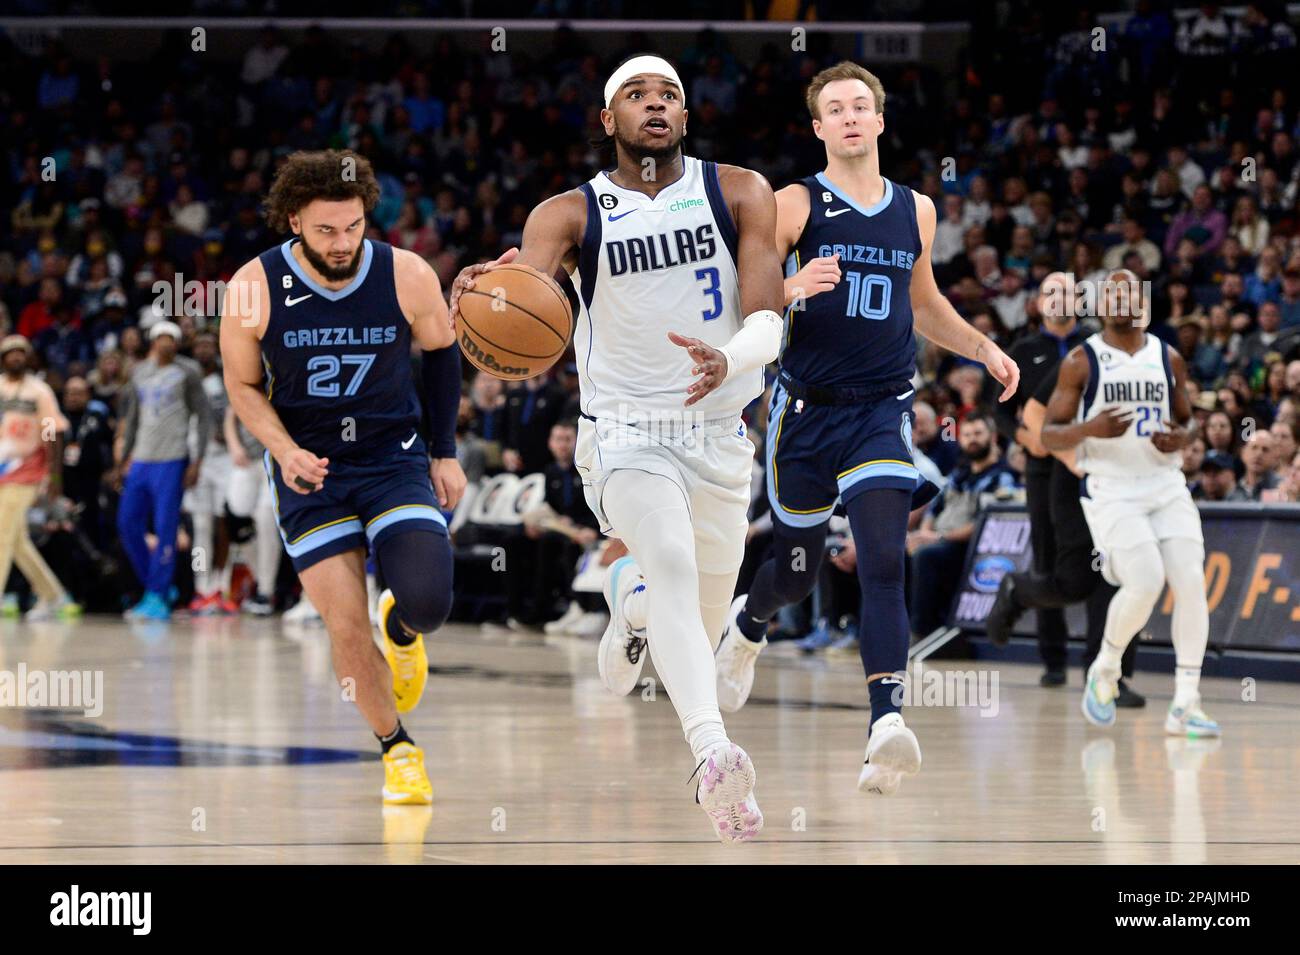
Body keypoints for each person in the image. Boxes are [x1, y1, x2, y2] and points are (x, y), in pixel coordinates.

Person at [450, 55, 784, 842]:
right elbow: (525, 286)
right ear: (609, 121)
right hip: (627, 432)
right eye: (635, 95)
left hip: (721, 435)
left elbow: (770, 318)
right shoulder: (568, 213)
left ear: (686, 116)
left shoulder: (739, 190)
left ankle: (628, 604)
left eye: (668, 93)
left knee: (693, 634)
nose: (654, 104)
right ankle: (713, 759)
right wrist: (492, 296)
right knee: (666, 557)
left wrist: (728, 360)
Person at [705, 62, 1019, 797]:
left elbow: (924, 302)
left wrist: (982, 346)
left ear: (879, 120)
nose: (850, 117)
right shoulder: (791, 203)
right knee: (797, 568)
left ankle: (885, 725)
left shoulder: (917, 209)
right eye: (835, 109)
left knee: (884, 559)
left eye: (861, 106)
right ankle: (749, 622)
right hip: (806, 414)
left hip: (884, 410)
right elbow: (736, 300)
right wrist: (787, 288)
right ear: (818, 128)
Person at [219, 149, 466, 805]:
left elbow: (442, 353)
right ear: (295, 220)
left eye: (353, 226)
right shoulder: (253, 285)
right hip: (310, 469)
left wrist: (445, 451)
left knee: (429, 601)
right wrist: (281, 448)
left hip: (393, 457)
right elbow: (241, 385)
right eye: (326, 230)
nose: (341, 242)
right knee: (344, 625)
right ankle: (398, 748)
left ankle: (405, 629)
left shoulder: (406, 273)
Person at [1041, 269, 1218, 737]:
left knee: (1191, 584)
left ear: (1143, 304)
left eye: (1129, 292)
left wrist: (1181, 436)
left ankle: (1186, 702)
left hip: (1165, 485)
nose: (1121, 299)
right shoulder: (1082, 360)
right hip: (1113, 489)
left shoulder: (1169, 358)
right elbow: (1047, 433)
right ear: (1099, 305)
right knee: (1145, 581)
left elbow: (1190, 422)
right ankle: (1106, 668)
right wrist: (1088, 429)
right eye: (1112, 293)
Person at [993, 271, 1090, 685]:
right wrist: (1023, 438)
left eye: (1066, 291)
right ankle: (1053, 660)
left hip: (1087, 464)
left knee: (1098, 560)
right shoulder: (1023, 349)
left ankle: (1105, 667)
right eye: (1051, 291)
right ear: (1038, 302)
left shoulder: (1093, 346)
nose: (1058, 298)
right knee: (1048, 557)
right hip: (1042, 467)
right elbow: (996, 408)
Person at [115, 321, 213, 619]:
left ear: (178, 342)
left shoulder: (188, 372)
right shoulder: (139, 372)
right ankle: (156, 585)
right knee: (127, 522)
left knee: (166, 527)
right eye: (161, 338)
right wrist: (124, 458)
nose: (166, 343)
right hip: (142, 458)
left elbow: (204, 417)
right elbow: (133, 417)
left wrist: (197, 460)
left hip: (172, 458)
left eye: (172, 339)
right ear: (153, 341)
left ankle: (157, 596)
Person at [0, 335, 81, 619]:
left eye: (22, 352)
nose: (16, 357)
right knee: (17, 541)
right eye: (11, 353)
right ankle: (54, 596)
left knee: (2, 533)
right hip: (2, 468)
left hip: (27, 470)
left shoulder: (39, 391)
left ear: (29, 357)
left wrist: (54, 476)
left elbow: (52, 432)